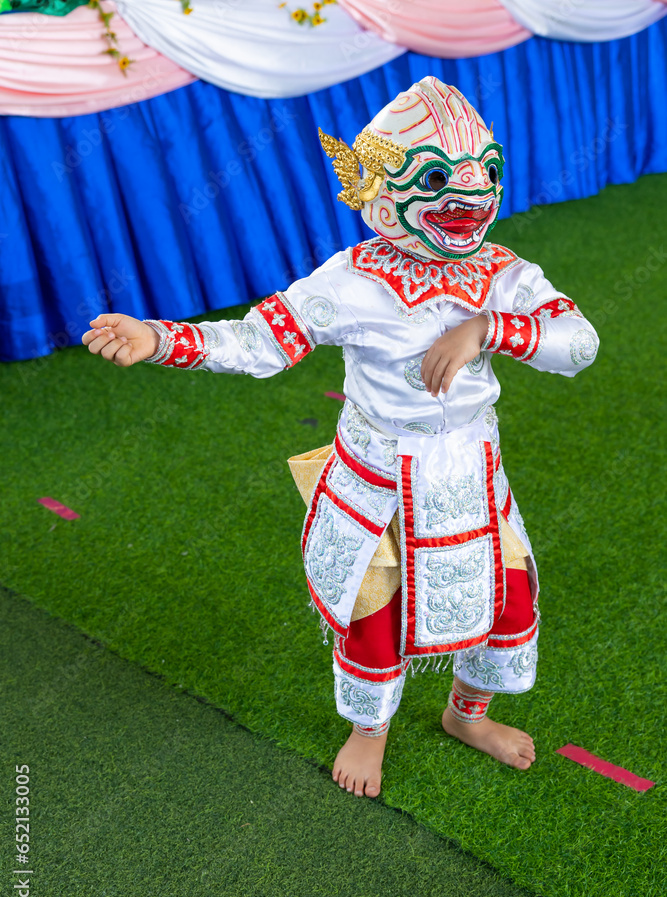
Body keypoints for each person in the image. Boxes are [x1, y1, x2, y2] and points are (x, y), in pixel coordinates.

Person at [82, 77, 598, 799]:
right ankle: (368, 730)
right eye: (438, 178)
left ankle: (465, 715)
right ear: (379, 190)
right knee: (373, 612)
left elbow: (578, 344)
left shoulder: (504, 275)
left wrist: (490, 327)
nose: (472, 195)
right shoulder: (352, 280)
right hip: (378, 481)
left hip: (472, 477)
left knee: (506, 599)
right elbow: (260, 341)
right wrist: (160, 337)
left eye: (486, 172)